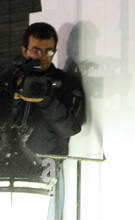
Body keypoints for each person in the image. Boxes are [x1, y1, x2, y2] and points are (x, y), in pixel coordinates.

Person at [0, 23, 85, 157]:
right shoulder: (8, 79)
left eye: (49, 51)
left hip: (45, 164)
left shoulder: (65, 83)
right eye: (36, 50)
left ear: (55, 52)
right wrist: (13, 98)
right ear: (24, 50)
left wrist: (46, 101)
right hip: (5, 160)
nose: (43, 56)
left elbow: (70, 128)